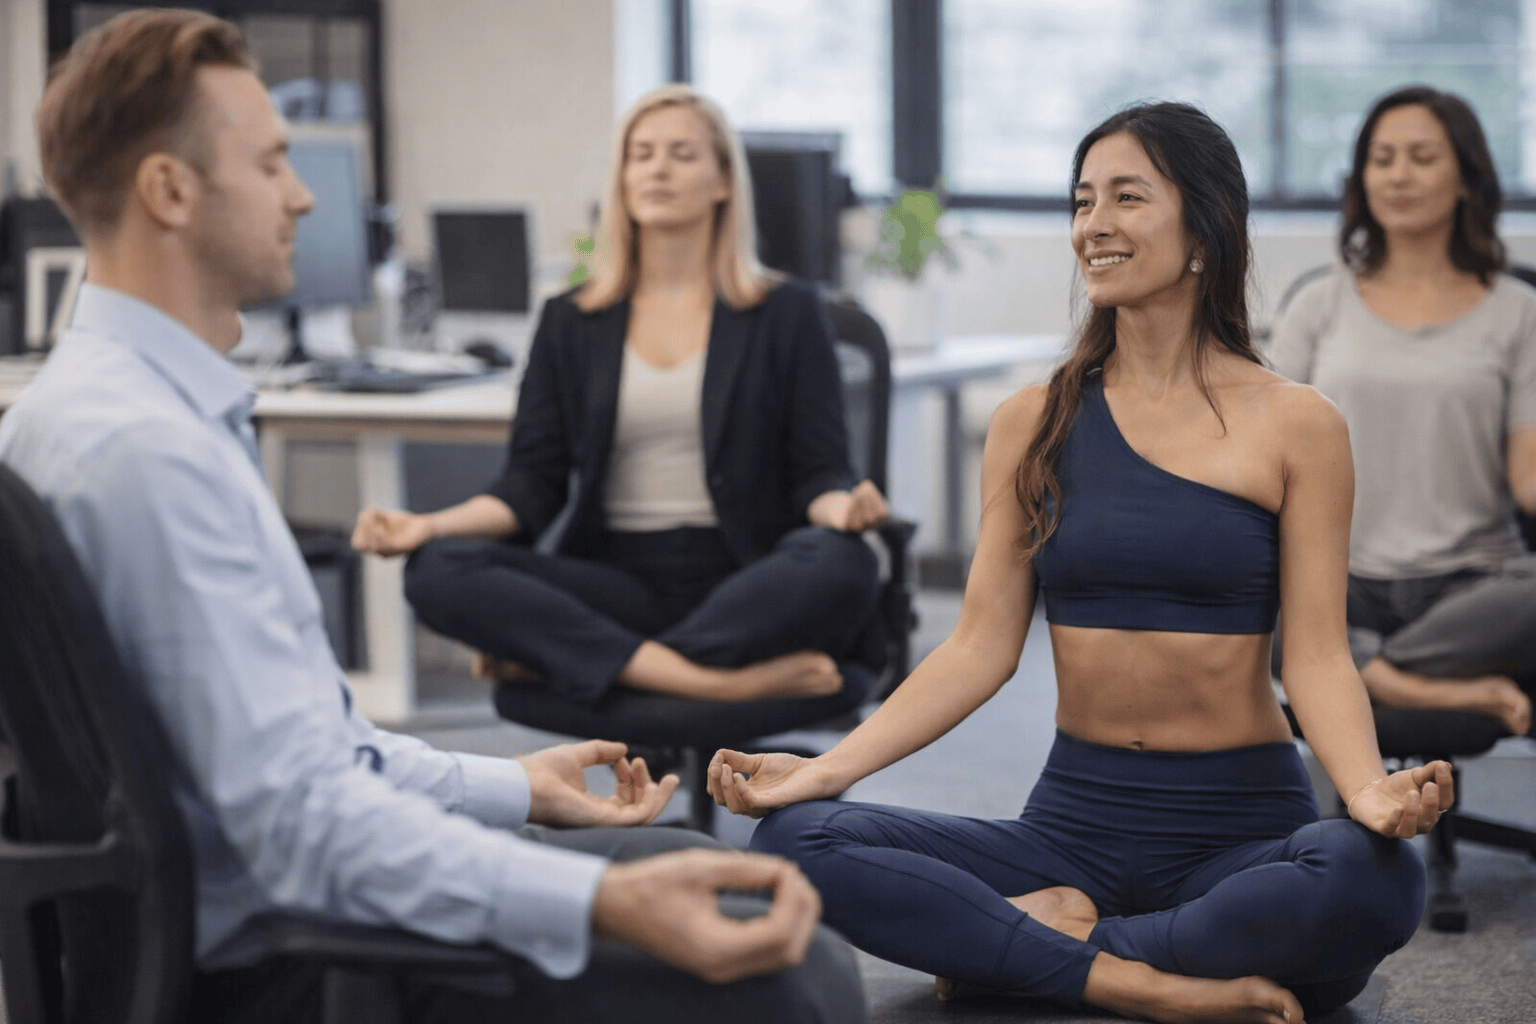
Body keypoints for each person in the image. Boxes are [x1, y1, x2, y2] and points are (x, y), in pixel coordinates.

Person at [0, 11, 865, 1023]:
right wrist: (599, 900)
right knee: (792, 973)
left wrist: (512, 786)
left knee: (697, 850)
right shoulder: (150, 455)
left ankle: (636, 681)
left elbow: (303, 751)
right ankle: (683, 683)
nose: (302, 194)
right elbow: (300, 822)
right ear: (170, 190)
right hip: (297, 957)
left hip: (261, 913)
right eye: (273, 163)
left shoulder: (88, 415)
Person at [706, 102, 1452, 1024]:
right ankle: (1137, 975)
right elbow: (978, 647)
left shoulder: (1298, 424)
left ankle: (1033, 948)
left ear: (1206, 227)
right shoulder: (1033, 421)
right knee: (798, 840)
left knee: (1372, 879)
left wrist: (1368, 790)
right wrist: (829, 770)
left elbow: (1317, 656)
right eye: (1082, 200)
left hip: (1239, 831)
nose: (1093, 224)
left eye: (1127, 197)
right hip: (1070, 829)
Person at [352, 84, 887, 708]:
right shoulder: (570, 319)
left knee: (845, 561)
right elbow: (530, 485)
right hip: (618, 579)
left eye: (682, 154)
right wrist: (427, 525)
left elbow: (819, 472)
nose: (658, 169)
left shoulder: (787, 311)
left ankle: (584, 660)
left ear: (722, 181)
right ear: (622, 178)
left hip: (748, 577)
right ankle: (714, 681)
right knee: (436, 568)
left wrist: (844, 511)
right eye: (641, 154)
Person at [1269, 85, 1536, 739]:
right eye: (1382, 158)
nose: (1398, 176)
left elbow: (1528, 477)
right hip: (1337, 578)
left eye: (1422, 157)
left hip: (1473, 585)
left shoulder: (1519, 311)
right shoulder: (1317, 305)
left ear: (1466, 178)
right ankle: (1409, 684)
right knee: (1232, 588)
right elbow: (1266, 456)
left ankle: (1360, 670)